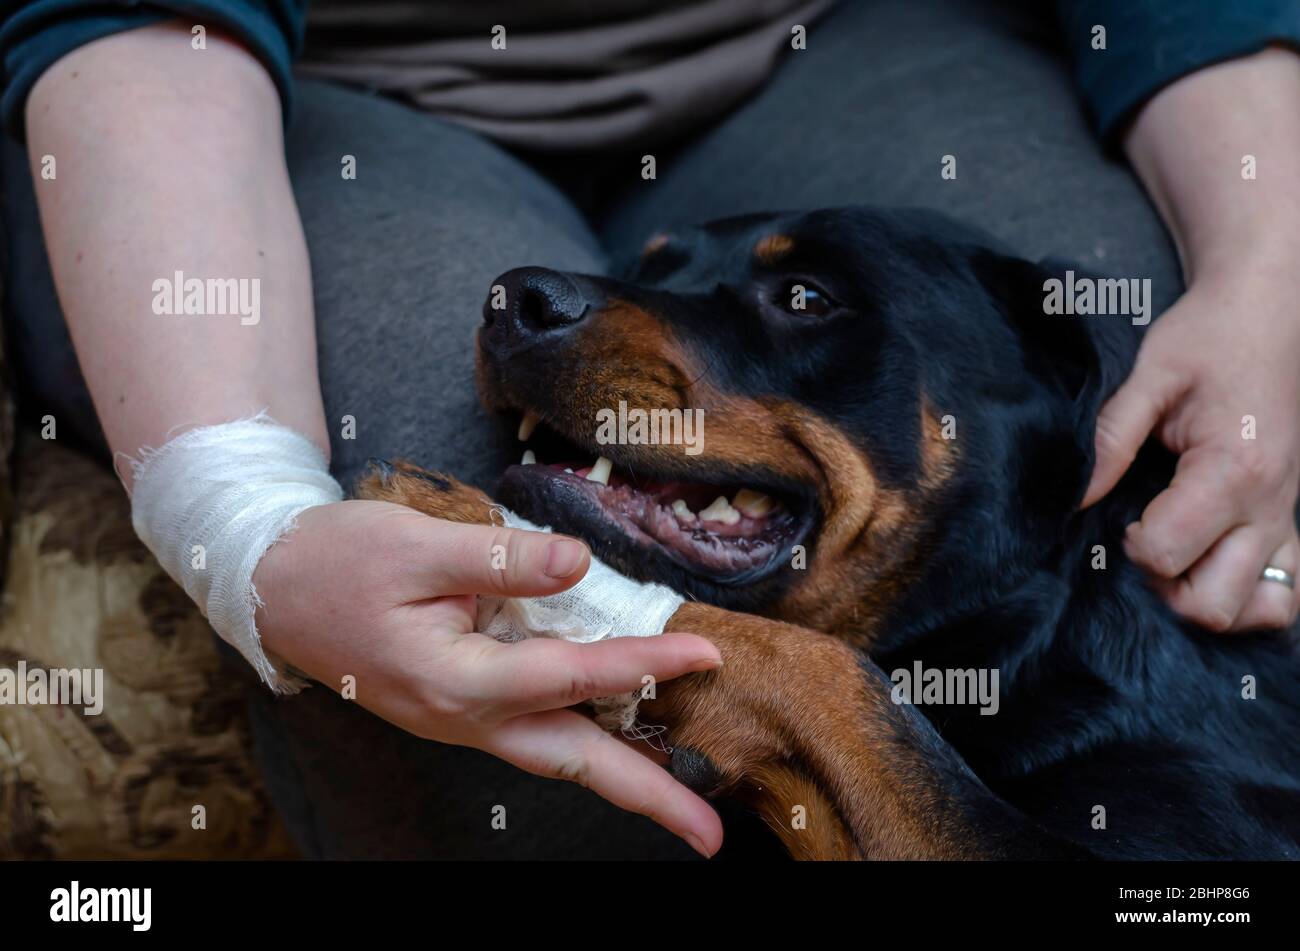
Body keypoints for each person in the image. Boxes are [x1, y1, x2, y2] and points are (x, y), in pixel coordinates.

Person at [2, 1, 1298, 859]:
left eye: (798, 302)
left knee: (1140, 423)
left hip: (847, 29)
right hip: (293, 82)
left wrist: (1270, 265)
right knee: (429, 557)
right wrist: (245, 523)